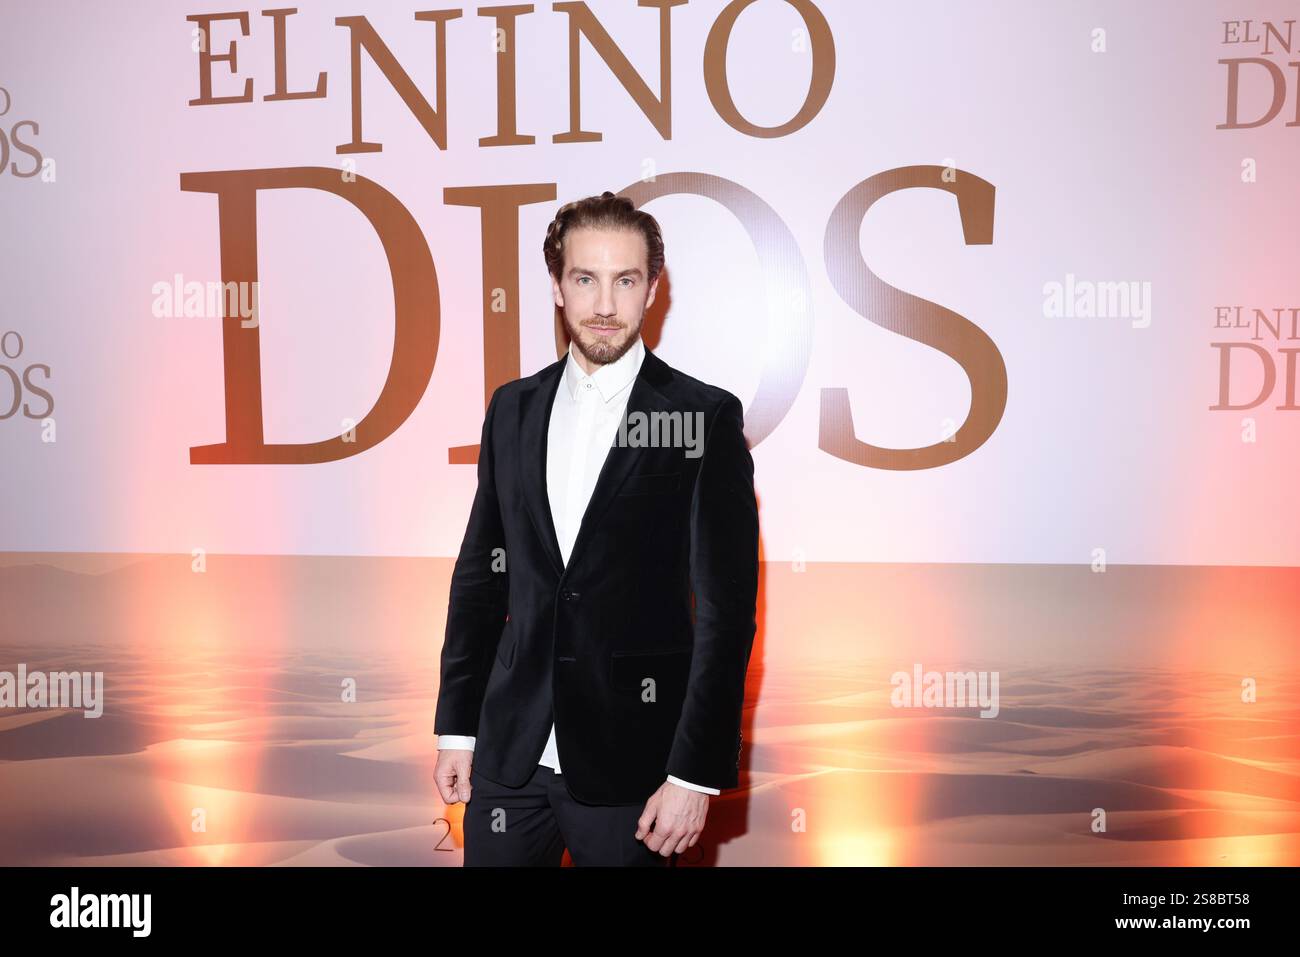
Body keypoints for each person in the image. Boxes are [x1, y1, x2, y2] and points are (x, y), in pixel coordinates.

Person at [433, 191, 759, 866]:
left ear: (652, 290)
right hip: (509, 761)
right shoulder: (512, 409)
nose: (604, 304)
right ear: (556, 285)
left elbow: (727, 617)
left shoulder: (703, 417)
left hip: (635, 769)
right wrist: (458, 727)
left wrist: (693, 773)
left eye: (625, 280)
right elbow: (479, 579)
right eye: (585, 278)